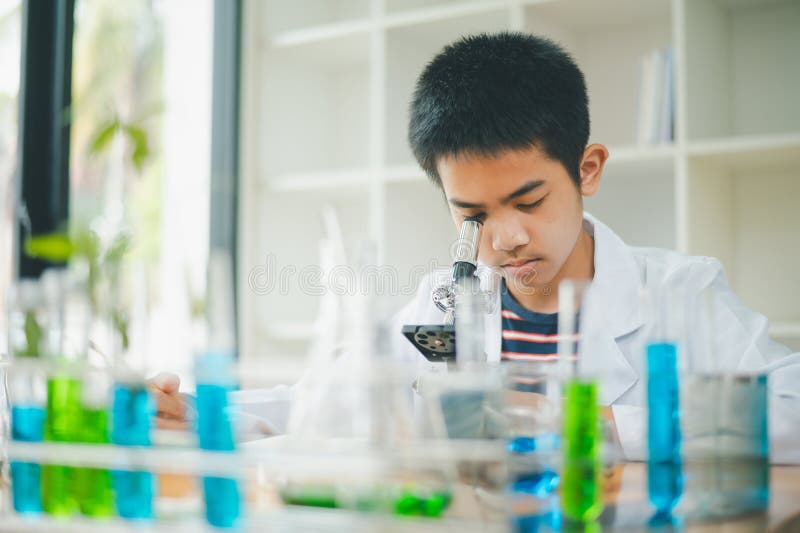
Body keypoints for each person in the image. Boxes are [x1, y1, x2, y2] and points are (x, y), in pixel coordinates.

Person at [152, 32, 800, 462]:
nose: (506, 238)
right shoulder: (444, 297)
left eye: (529, 201)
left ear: (588, 169)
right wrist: (197, 414)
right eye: (473, 214)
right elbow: (333, 399)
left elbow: (791, 411)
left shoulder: (681, 290)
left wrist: (587, 423)